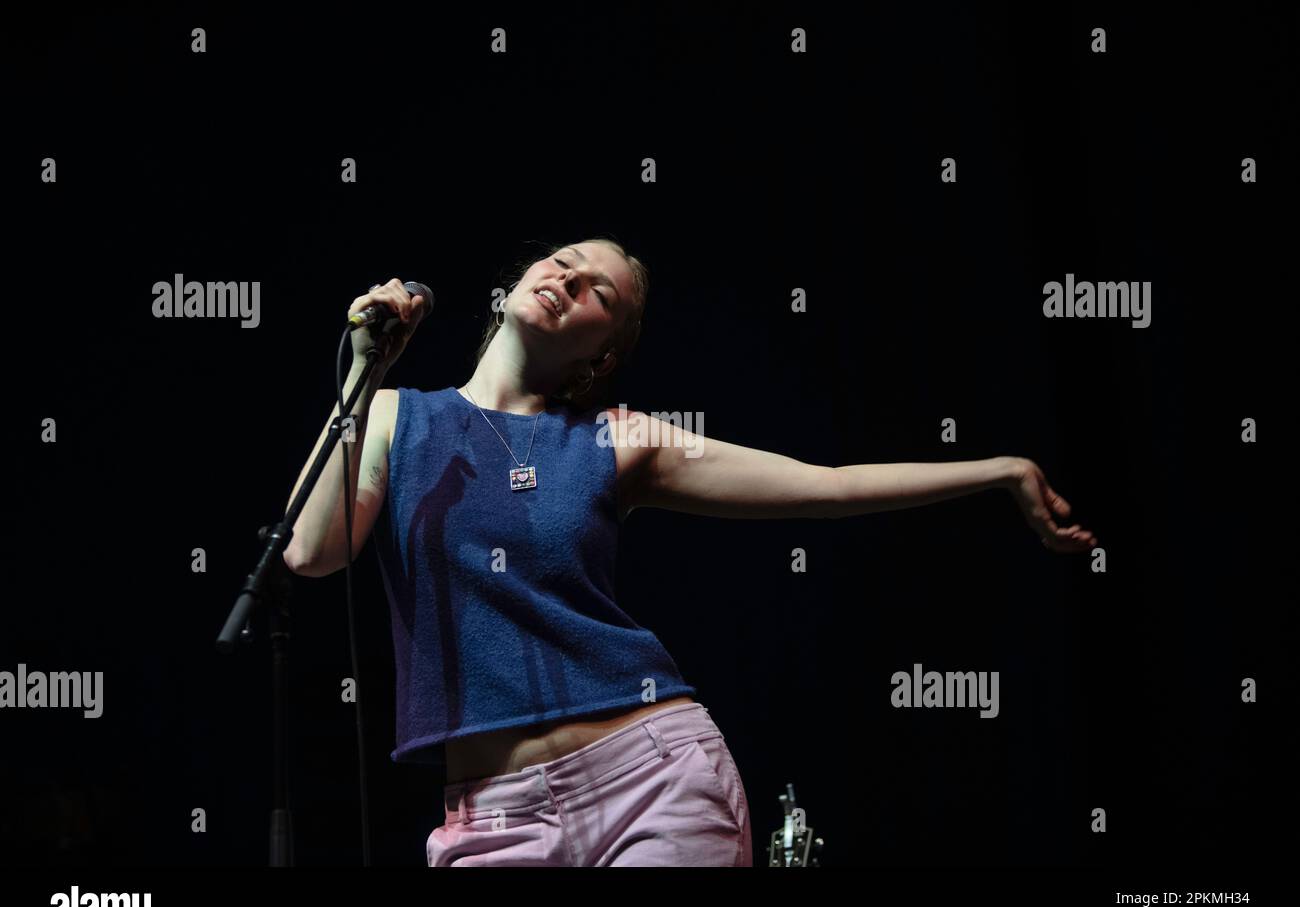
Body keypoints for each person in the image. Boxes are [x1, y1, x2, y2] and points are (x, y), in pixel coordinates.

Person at [282, 237, 1097, 867]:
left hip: (652, 778)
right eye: (562, 261)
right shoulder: (393, 416)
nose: (567, 277)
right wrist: (361, 374)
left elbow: (827, 483)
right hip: (491, 813)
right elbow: (310, 552)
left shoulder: (617, 439)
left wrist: (1002, 470)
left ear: (602, 354)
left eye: (597, 288)